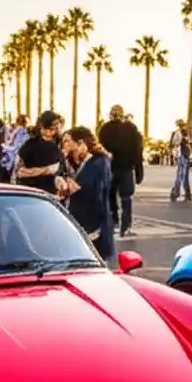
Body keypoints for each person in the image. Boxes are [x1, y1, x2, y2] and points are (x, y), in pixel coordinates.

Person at [63, 126, 115, 265]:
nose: (66, 146)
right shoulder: (70, 162)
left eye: (68, 142)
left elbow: (90, 188)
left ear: (81, 144)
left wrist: (68, 185)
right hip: (75, 224)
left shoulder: (99, 163)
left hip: (93, 227)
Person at [98, 105, 144, 238]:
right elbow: (138, 150)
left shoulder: (104, 129)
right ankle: (126, 226)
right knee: (126, 198)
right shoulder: (131, 129)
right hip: (126, 168)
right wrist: (138, 170)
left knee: (110, 196)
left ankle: (113, 220)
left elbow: (100, 149)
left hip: (110, 168)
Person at [15, 111, 67, 196]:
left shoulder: (60, 143)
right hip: (32, 192)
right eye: (50, 128)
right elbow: (19, 171)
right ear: (41, 127)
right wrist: (47, 170)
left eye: (56, 129)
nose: (52, 132)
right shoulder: (30, 144)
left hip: (54, 194)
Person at [169, 119, 192, 202]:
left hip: (184, 155)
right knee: (182, 175)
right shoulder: (177, 133)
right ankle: (182, 193)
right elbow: (172, 144)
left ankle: (178, 193)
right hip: (182, 155)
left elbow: (190, 142)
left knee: (181, 175)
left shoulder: (186, 133)